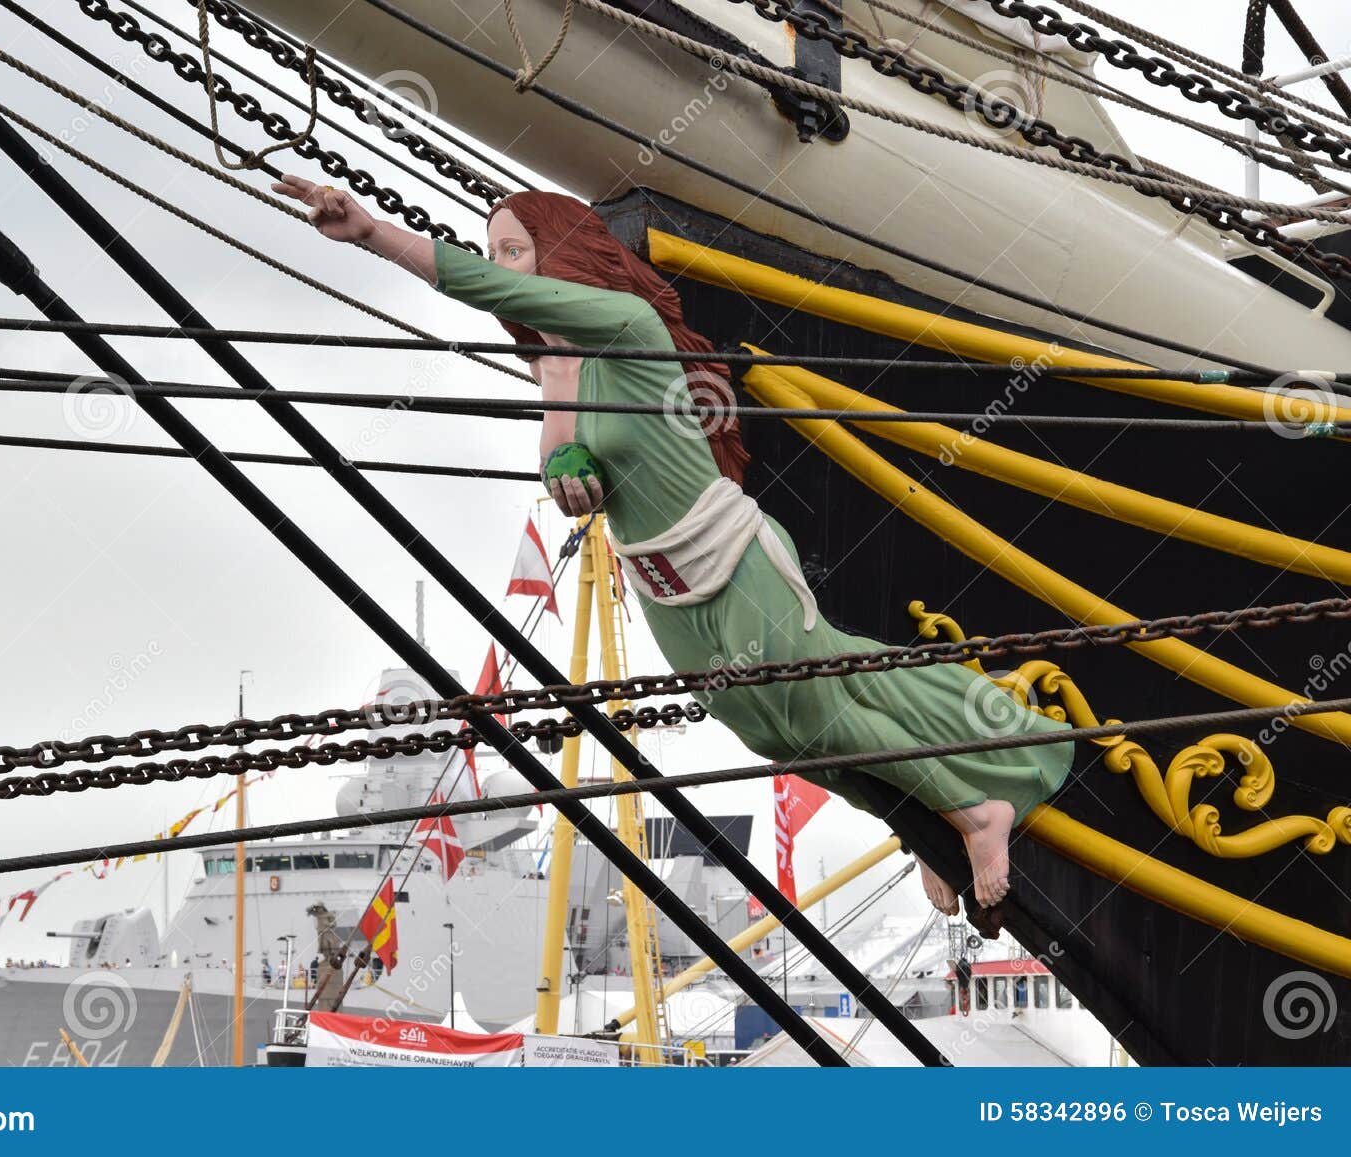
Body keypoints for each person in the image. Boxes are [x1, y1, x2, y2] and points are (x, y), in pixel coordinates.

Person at [273, 175, 1075, 912]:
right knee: (773, 734)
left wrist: (375, 233)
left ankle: (974, 809)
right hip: (661, 586)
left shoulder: (628, 321)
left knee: (820, 707)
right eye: (496, 254)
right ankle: (922, 820)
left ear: (563, 255)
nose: (503, 270)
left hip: (725, 555)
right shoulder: (560, 363)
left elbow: (484, 289)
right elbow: (559, 457)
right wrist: (566, 468)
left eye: (515, 252)